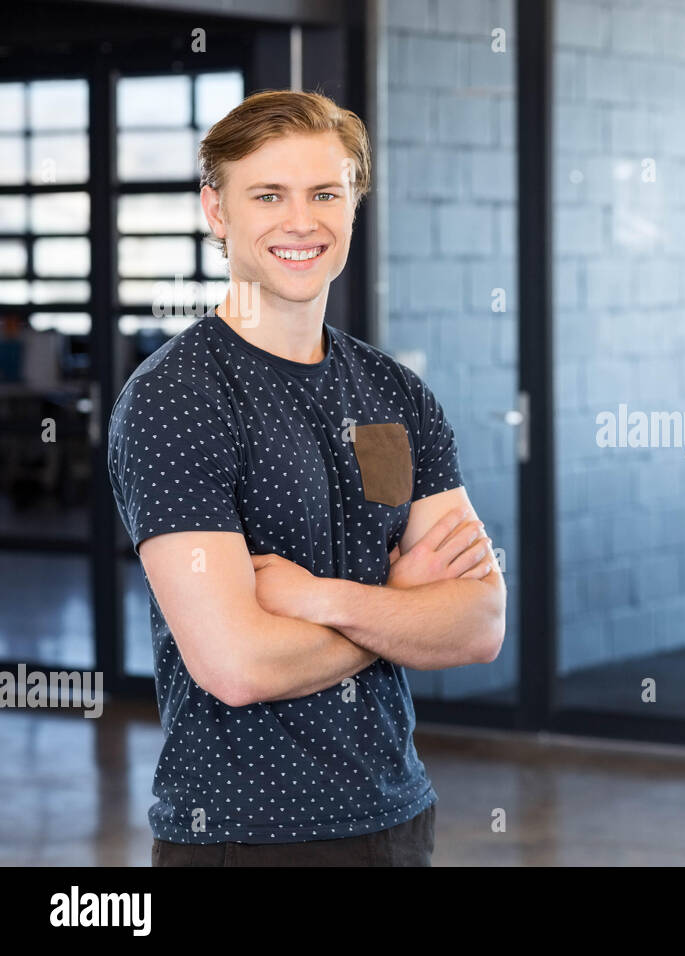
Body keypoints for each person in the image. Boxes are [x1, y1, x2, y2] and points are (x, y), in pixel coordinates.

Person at [108, 90, 506, 866]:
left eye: (325, 193)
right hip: (244, 835)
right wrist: (401, 607)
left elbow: (480, 623)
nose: (302, 221)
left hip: (396, 817)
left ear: (353, 205)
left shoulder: (393, 394)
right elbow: (237, 666)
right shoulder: (178, 398)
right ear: (216, 211)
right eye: (268, 195)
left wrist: (324, 599)